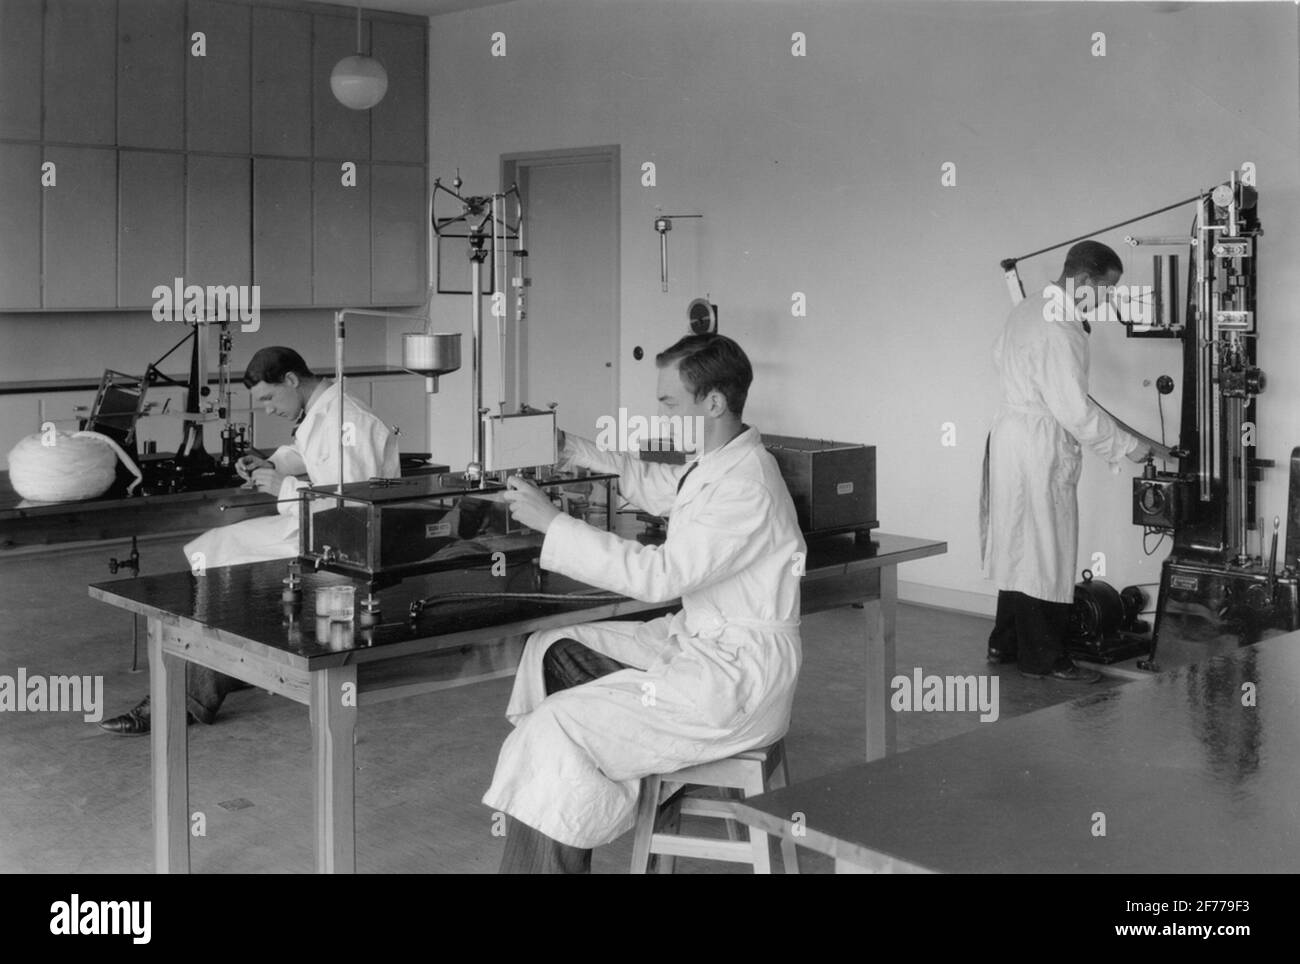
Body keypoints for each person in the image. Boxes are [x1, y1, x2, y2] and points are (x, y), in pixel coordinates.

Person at [483, 333, 805, 873]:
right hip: (700, 647)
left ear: (714, 403)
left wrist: (552, 523)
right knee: (552, 648)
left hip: (736, 680)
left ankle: (571, 812)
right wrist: (568, 447)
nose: (660, 414)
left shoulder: (746, 485)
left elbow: (661, 575)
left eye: (669, 402)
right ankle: (601, 788)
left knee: (556, 728)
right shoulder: (717, 461)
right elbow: (651, 482)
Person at [99, 346, 399, 734]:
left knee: (223, 561)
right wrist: (272, 464)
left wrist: (284, 487)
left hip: (343, 545)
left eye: (269, 398)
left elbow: (353, 508)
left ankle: (188, 692)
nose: (268, 410)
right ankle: (215, 672)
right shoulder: (325, 410)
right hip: (318, 531)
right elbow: (311, 452)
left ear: (291, 380)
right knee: (214, 549)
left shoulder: (349, 420)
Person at [981, 241, 1172, 683]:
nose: (1106, 299)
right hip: (1038, 443)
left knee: (1018, 542)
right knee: (1045, 551)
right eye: (1106, 289)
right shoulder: (1060, 326)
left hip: (1012, 433)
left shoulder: (1029, 308)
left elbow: (999, 356)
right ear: (1083, 280)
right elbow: (1076, 412)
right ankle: (1044, 658)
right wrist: (1129, 448)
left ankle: (1004, 642)